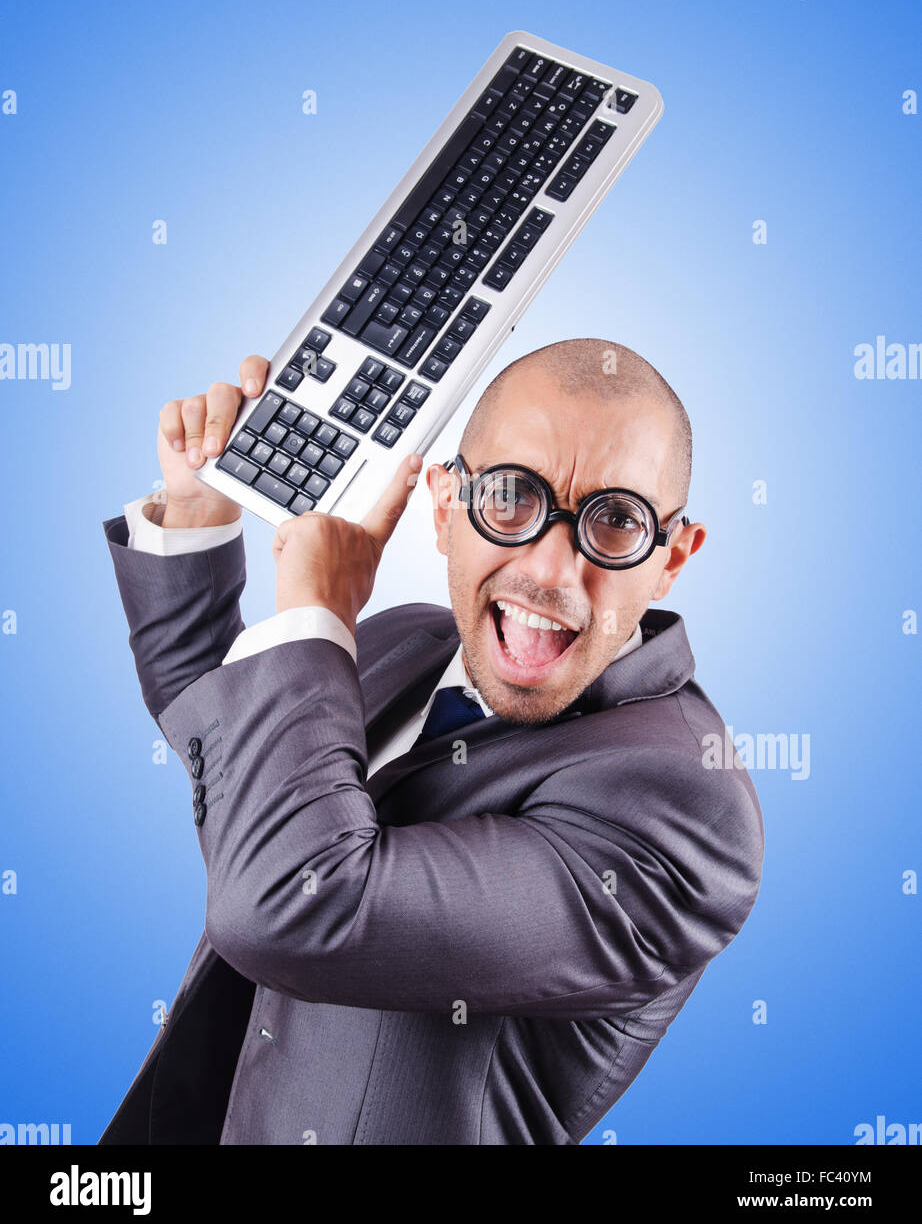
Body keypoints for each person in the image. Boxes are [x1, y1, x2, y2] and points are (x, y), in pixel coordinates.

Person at [98, 336, 763, 1145]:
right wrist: (201, 517)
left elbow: (290, 905)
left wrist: (317, 612)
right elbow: (238, 747)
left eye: (615, 520)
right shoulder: (402, 642)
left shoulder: (687, 805)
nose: (551, 569)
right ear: (445, 507)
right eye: (512, 496)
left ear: (672, 560)